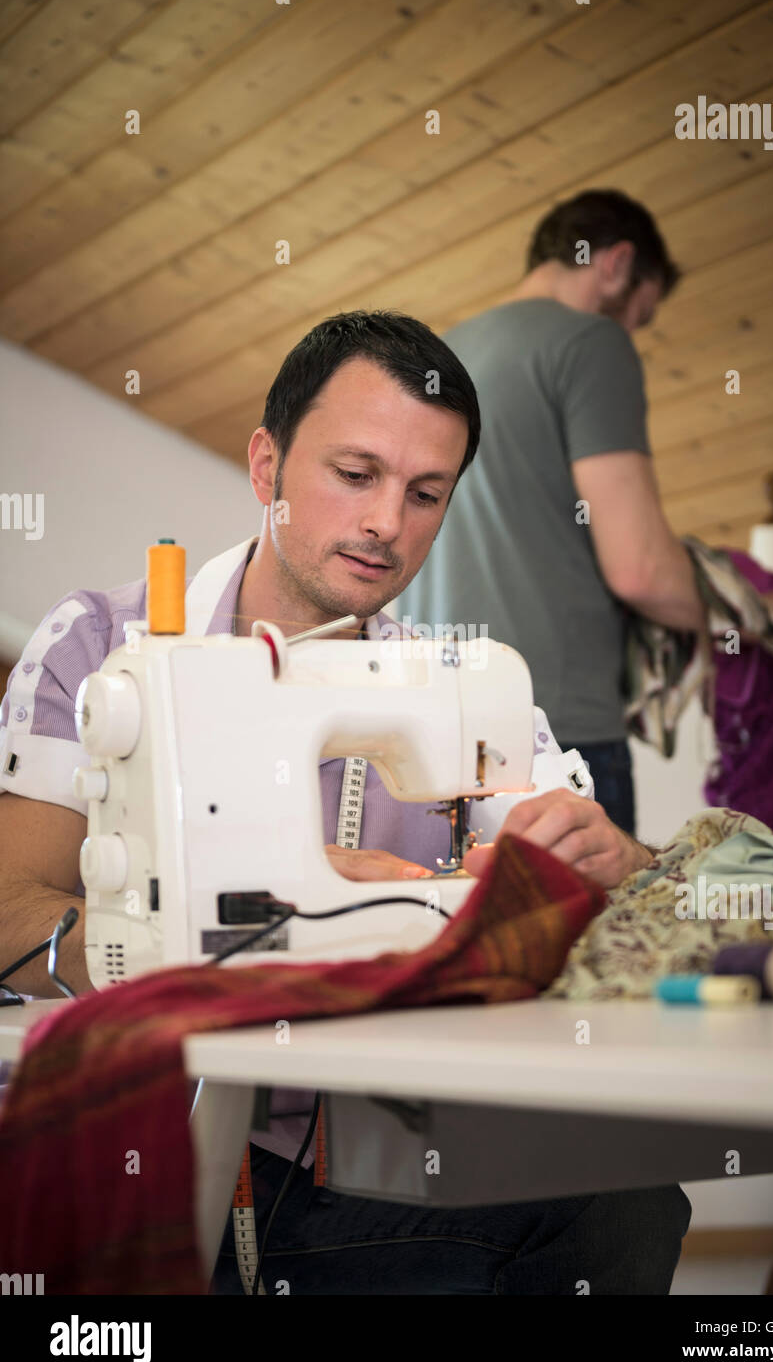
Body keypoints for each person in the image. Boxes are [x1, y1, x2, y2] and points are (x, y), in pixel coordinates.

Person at [0, 309, 690, 1295]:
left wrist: (611, 863)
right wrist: (206, 946)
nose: (386, 525)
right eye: (355, 474)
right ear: (266, 465)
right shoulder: (101, 643)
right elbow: (5, 904)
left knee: (628, 1202)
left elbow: (592, 881)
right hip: (138, 1141)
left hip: (361, 1155)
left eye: (426, 493)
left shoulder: (459, 686)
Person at [401, 189, 709, 835]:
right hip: (552, 739)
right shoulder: (591, 343)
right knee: (592, 938)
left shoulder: (437, 357)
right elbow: (642, 571)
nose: (629, 332)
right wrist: (752, 616)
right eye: (638, 314)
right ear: (616, 263)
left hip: (428, 738)